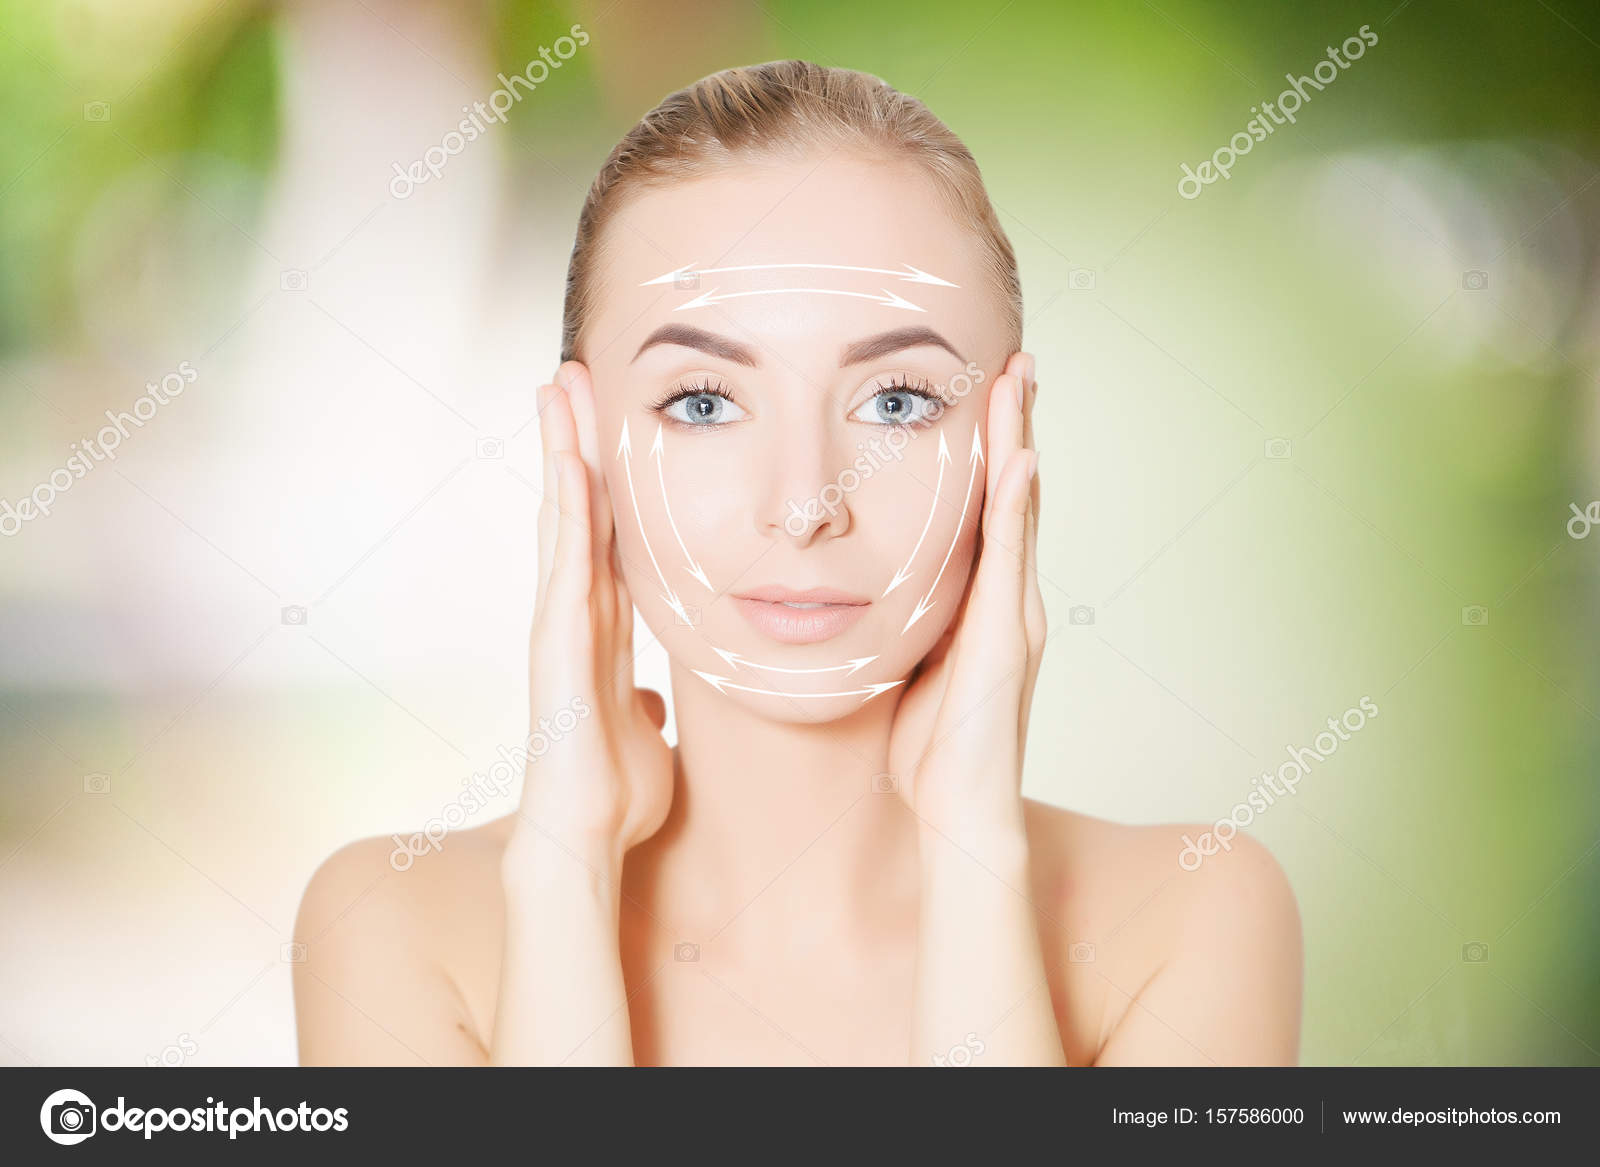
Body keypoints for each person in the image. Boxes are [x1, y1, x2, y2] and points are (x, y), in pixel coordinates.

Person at [293, 59, 1301, 1066]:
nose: (804, 504)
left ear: (1006, 437)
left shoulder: (1192, 916)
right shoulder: (397, 929)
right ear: (582, 443)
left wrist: (973, 856)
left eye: (897, 402)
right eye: (703, 401)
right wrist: (564, 874)